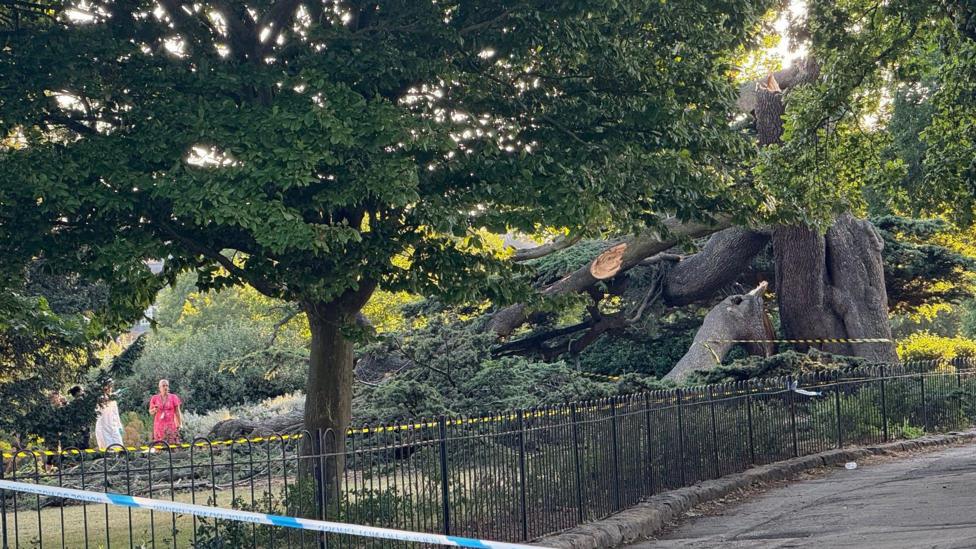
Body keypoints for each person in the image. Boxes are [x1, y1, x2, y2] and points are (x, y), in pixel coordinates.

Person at [148, 379, 182, 445]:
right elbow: (150, 412)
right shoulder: (154, 398)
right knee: (159, 445)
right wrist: (154, 410)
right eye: (163, 386)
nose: (165, 387)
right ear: (159, 388)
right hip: (159, 426)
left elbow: (177, 412)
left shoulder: (173, 397)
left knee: (171, 444)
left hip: (170, 425)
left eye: (167, 385)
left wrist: (179, 424)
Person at [94, 380, 124, 450]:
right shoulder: (99, 399)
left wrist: (119, 426)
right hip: (103, 426)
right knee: (106, 448)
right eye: (107, 387)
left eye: (110, 387)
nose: (109, 389)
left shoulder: (113, 400)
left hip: (113, 427)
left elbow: (116, 414)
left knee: (118, 446)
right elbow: (97, 411)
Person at [67, 385, 91, 450]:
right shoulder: (79, 402)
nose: (83, 392)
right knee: (83, 443)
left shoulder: (74, 403)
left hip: (81, 426)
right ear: (77, 392)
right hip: (81, 426)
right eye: (81, 391)